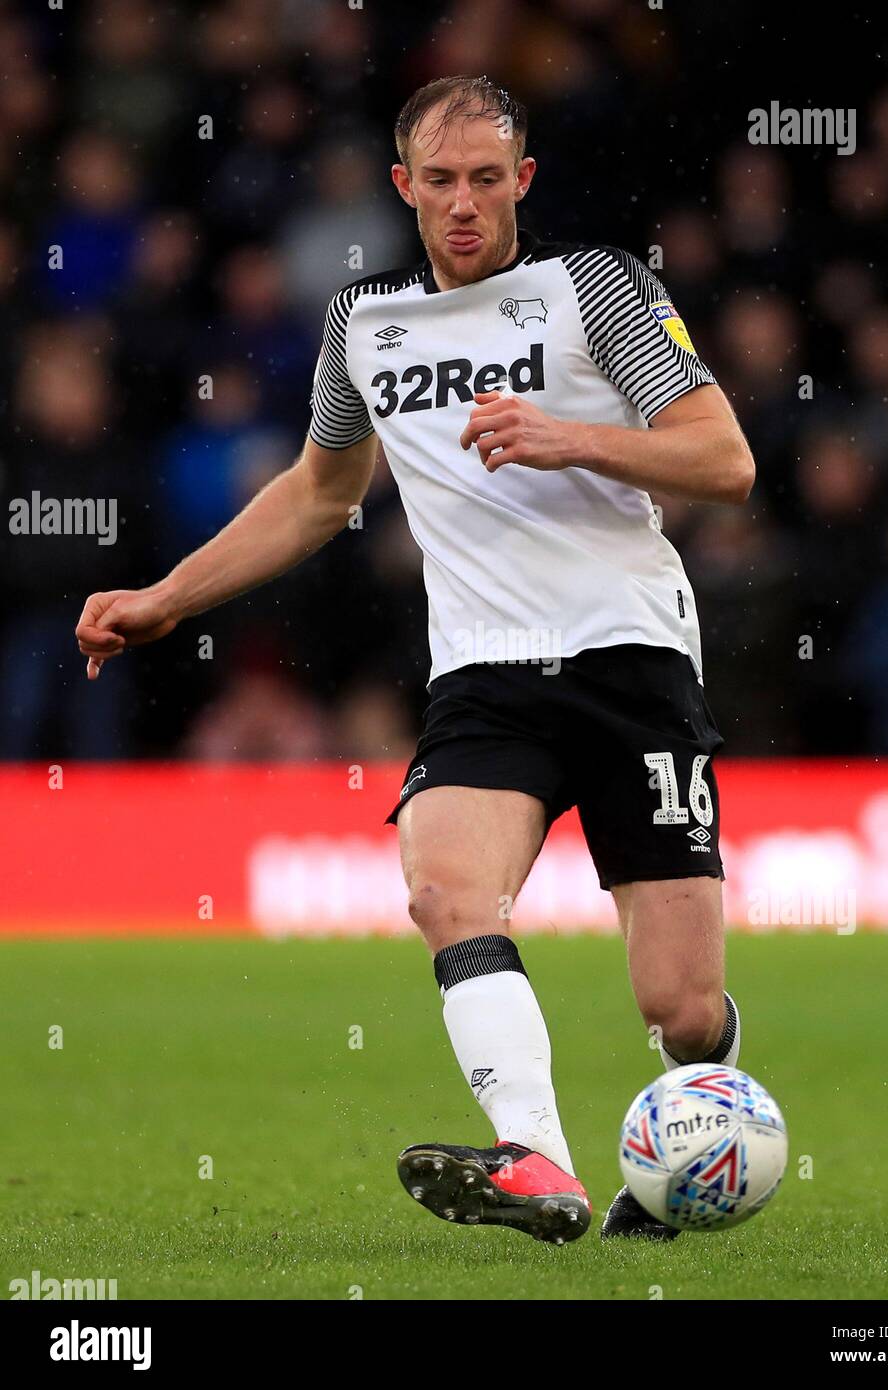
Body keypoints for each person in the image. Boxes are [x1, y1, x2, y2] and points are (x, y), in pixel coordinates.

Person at [76, 75, 755, 1245]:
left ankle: (706, 1115)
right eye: (438, 181)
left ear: (521, 182)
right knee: (442, 889)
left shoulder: (594, 288)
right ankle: (537, 1159)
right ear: (402, 186)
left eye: (486, 180)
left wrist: (566, 437)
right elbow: (317, 492)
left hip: (629, 653)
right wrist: (166, 597)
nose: (462, 204)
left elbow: (725, 458)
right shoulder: (364, 325)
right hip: (484, 674)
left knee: (681, 1009)